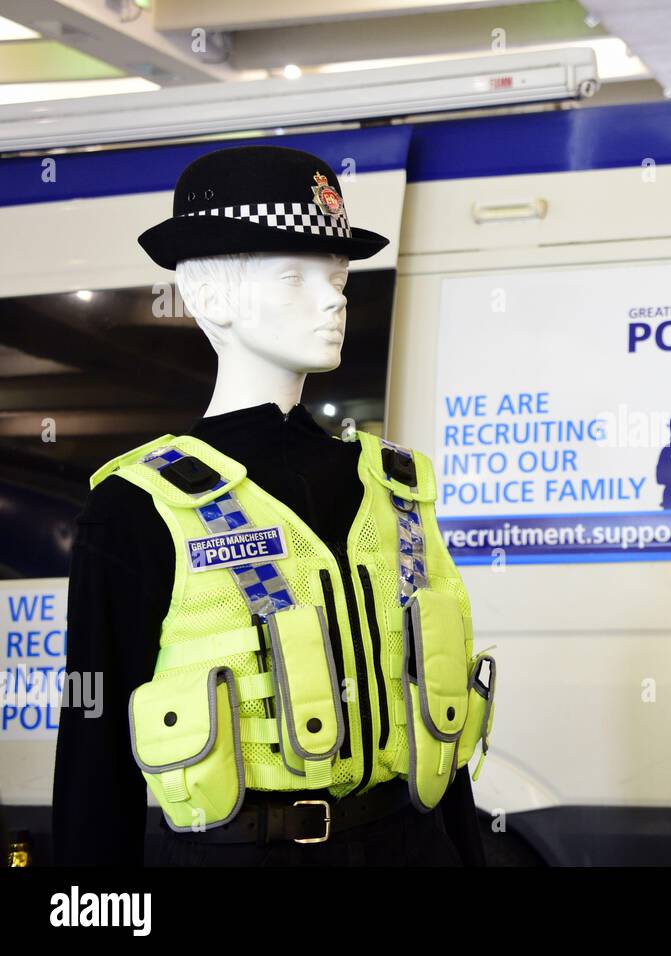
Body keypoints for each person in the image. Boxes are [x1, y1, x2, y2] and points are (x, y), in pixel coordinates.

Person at [52, 146, 492, 866]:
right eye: (294, 277)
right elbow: (95, 755)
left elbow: (435, 713)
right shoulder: (138, 508)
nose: (334, 299)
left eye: (339, 276)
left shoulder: (398, 488)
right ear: (208, 297)